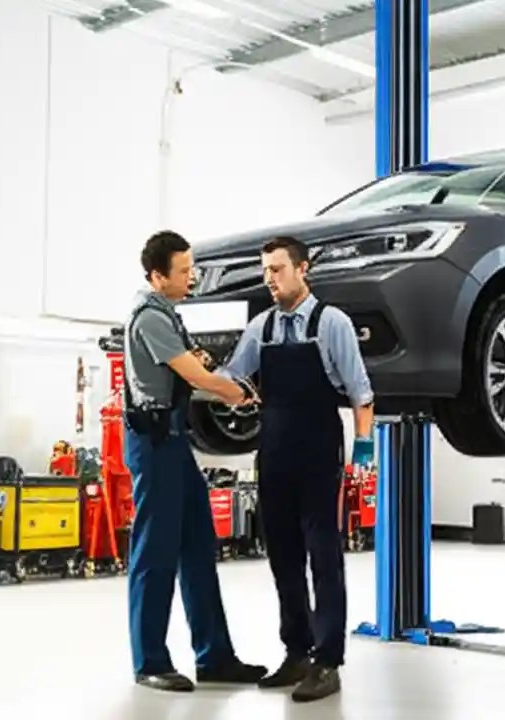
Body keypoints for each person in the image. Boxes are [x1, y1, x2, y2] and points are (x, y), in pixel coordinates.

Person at [217, 235, 375, 703]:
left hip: (318, 455)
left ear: (302, 269)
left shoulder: (332, 324)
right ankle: (296, 653)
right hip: (274, 456)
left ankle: (328, 661)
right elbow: (230, 378)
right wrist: (196, 375)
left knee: (323, 557)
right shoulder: (261, 328)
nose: (270, 278)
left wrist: (363, 449)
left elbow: (360, 392)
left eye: (278, 269)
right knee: (283, 557)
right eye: (266, 270)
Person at [122, 230, 268, 692]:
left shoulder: (169, 315)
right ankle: (149, 661)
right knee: (155, 554)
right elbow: (196, 376)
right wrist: (240, 393)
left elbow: (190, 365)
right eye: (184, 271)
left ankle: (215, 657)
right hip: (155, 443)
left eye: (192, 268)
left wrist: (210, 371)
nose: (193, 277)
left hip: (174, 443)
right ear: (156, 275)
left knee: (198, 547)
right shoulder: (149, 317)